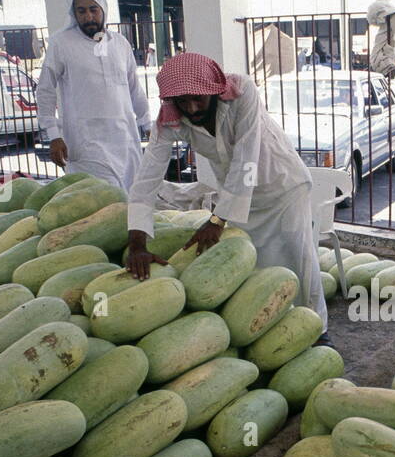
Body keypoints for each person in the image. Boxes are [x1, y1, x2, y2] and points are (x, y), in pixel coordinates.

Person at [125, 51, 329, 338]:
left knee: (299, 261)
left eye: (198, 98)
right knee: (254, 269)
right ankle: (272, 332)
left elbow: (247, 156)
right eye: (182, 102)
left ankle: (317, 329)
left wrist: (217, 219)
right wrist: (137, 243)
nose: (192, 108)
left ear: (213, 89)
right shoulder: (170, 120)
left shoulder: (242, 92)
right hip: (237, 201)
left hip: (283, 188)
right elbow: (147, 177)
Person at [36, 0, 150, 191]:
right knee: (100, 202)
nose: (88, 17)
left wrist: (148, 124)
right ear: (74, 13)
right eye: (81, 11)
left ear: (103, 9)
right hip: (86, 143)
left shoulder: (120, 44)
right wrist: (53, 134)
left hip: (124, 139)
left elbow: (134, 88)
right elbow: (45, 90)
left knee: (131, 200)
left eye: (93, 9)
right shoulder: (61, 43)